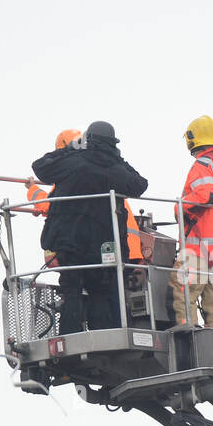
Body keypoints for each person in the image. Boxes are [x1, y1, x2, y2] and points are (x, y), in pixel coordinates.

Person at [31, 121, 148, 332]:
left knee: (72, 290)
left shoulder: (73, 161)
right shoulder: (116, 169)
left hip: (70, 241)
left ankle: (70, 337)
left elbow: (40, 166)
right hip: (103, 246)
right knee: (100, 293)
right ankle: (104, 338)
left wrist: (69, 149)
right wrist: (118, 158)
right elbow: (140, 184)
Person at [27, 128, 144, 263]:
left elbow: (48, 204)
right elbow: (139, 184)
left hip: (92, 250)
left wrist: (32, 189)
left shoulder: (71, 173)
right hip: (127, 250)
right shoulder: (112, 173)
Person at [169, 115, 213, 332]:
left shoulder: (202, 164)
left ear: (192, 139)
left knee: (182, 290)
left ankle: (188, 340)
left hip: (198, 245)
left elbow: (205, 193)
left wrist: (180, 206)